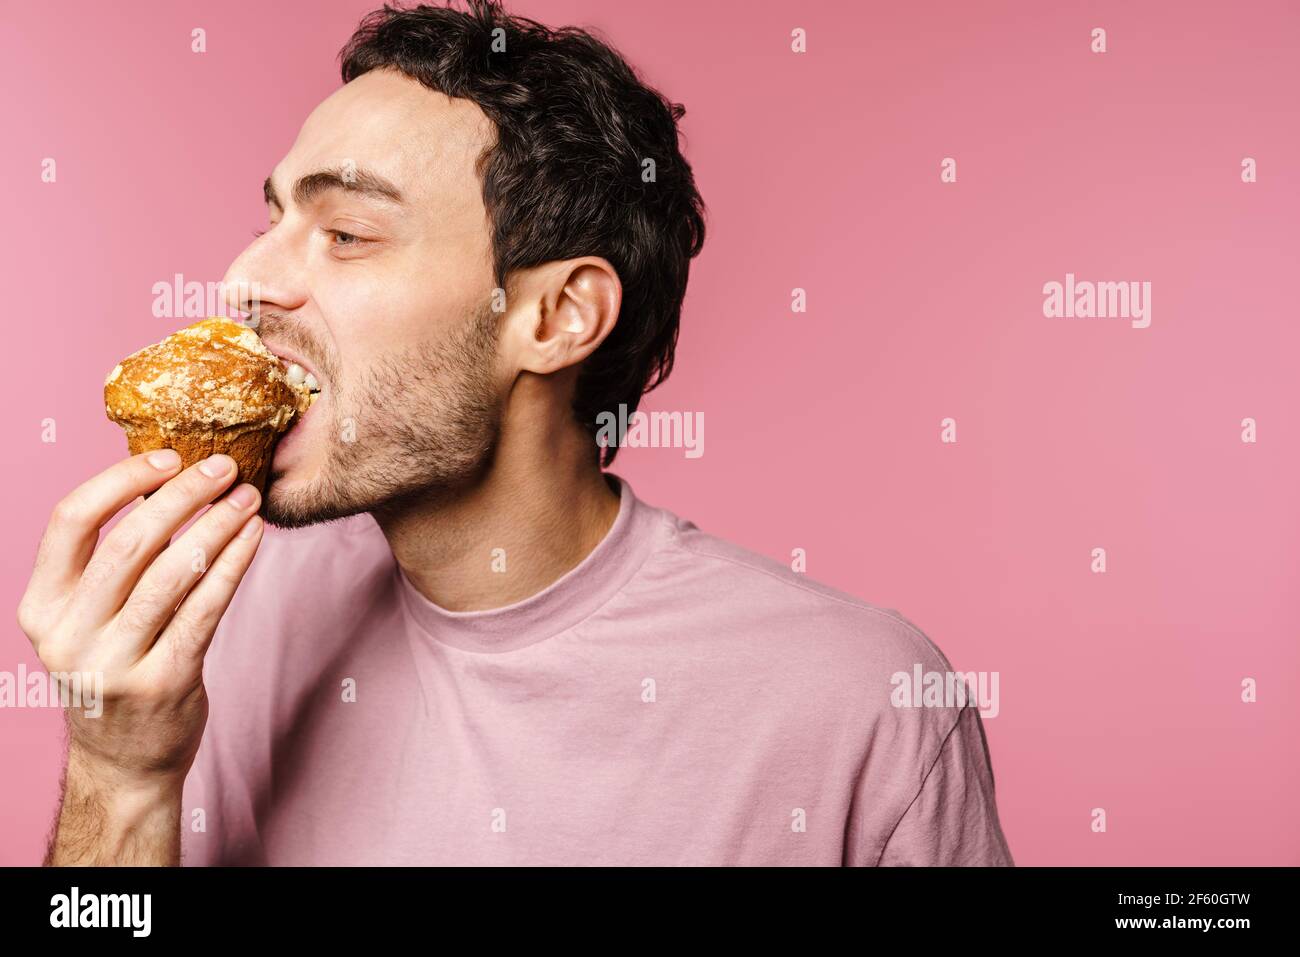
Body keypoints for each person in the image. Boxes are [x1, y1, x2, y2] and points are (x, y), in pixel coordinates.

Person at [18, 0, 1013, 866]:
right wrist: (121, 775)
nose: (243, 278)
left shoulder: (857, 704)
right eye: (272, 218)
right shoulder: (205, 620)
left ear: (554, 316)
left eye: (346, 233)